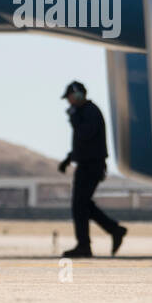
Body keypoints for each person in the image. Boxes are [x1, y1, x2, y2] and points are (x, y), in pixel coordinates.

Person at [58, 81, 127, 257]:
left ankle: (85, 246)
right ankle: (114, 230)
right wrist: (68, 159)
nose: (69, 102)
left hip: (91, 165)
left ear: (78, 95)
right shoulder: (84, 112)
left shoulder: (90, 112)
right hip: (87, 164)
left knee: (80, 205)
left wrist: (74, 118)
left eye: (70, 97)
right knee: (83, 204)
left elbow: (85, 134)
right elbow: (83, 143)